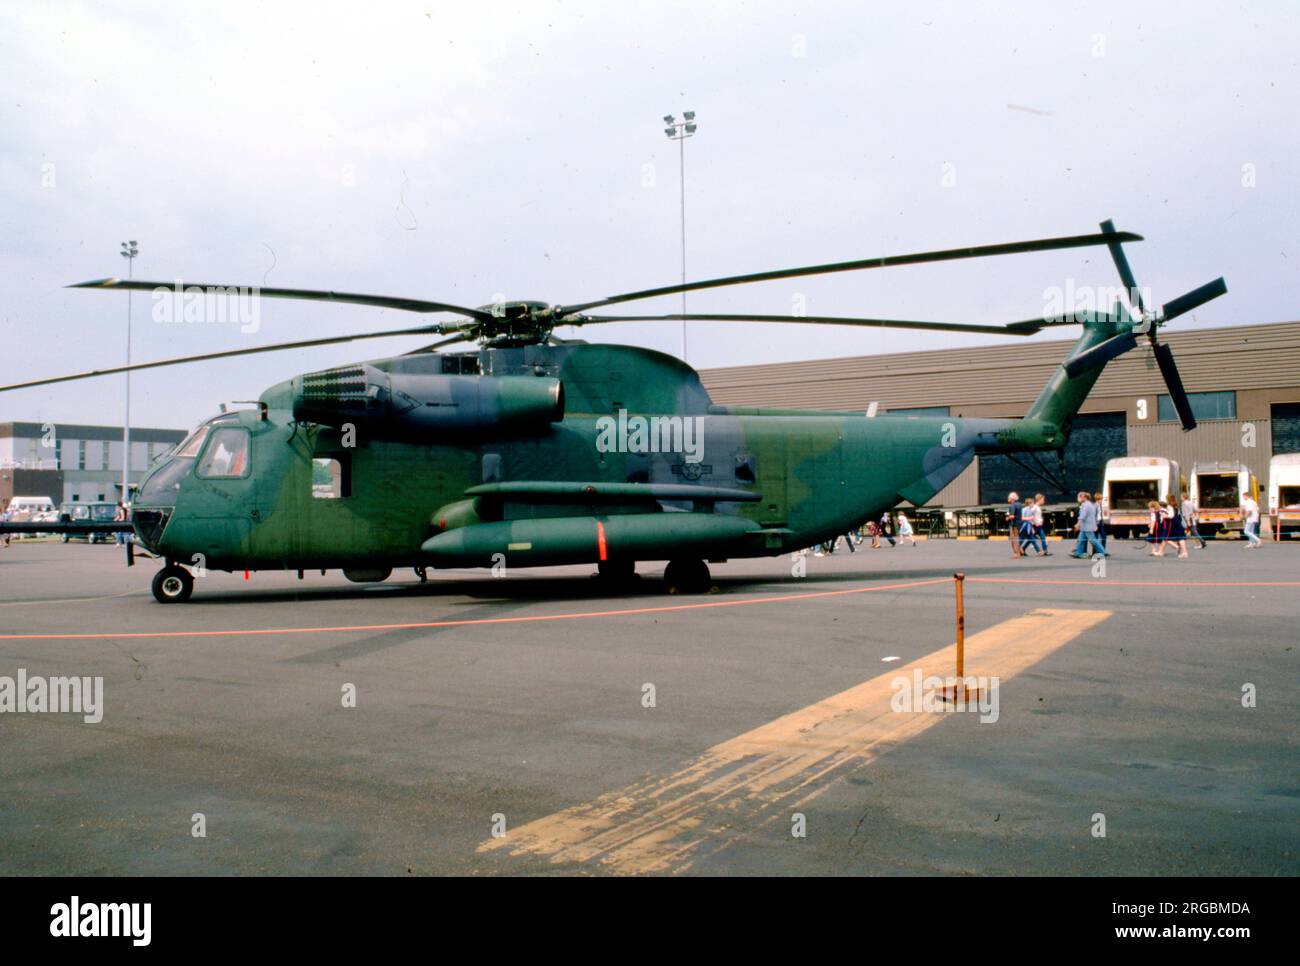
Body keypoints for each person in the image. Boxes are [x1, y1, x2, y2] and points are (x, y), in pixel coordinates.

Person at [1071, 490, 1107, 559]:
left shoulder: (1086, 505)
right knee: (1081, 540)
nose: (1078, 499)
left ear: (1083, 497)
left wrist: (1077, 524)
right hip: (1085, 527)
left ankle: (1102, 552)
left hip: (1087, 527)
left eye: (1079, 497)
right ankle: (1079, 553)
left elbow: (1082, 517)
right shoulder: (1089, 504)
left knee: (1093, 540)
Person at [1007, 491, 1025, 558]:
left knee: (1013, 538)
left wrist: (1007, 518)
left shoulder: (1013, 505)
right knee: (1017, 537)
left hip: (1013, 524)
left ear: (1012, 499)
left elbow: (1012, 516)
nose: (1008, 499)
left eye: (1009, 498)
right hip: (1019, 523)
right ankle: (1019, 552)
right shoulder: (1020, 504)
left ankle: (1016, 553)